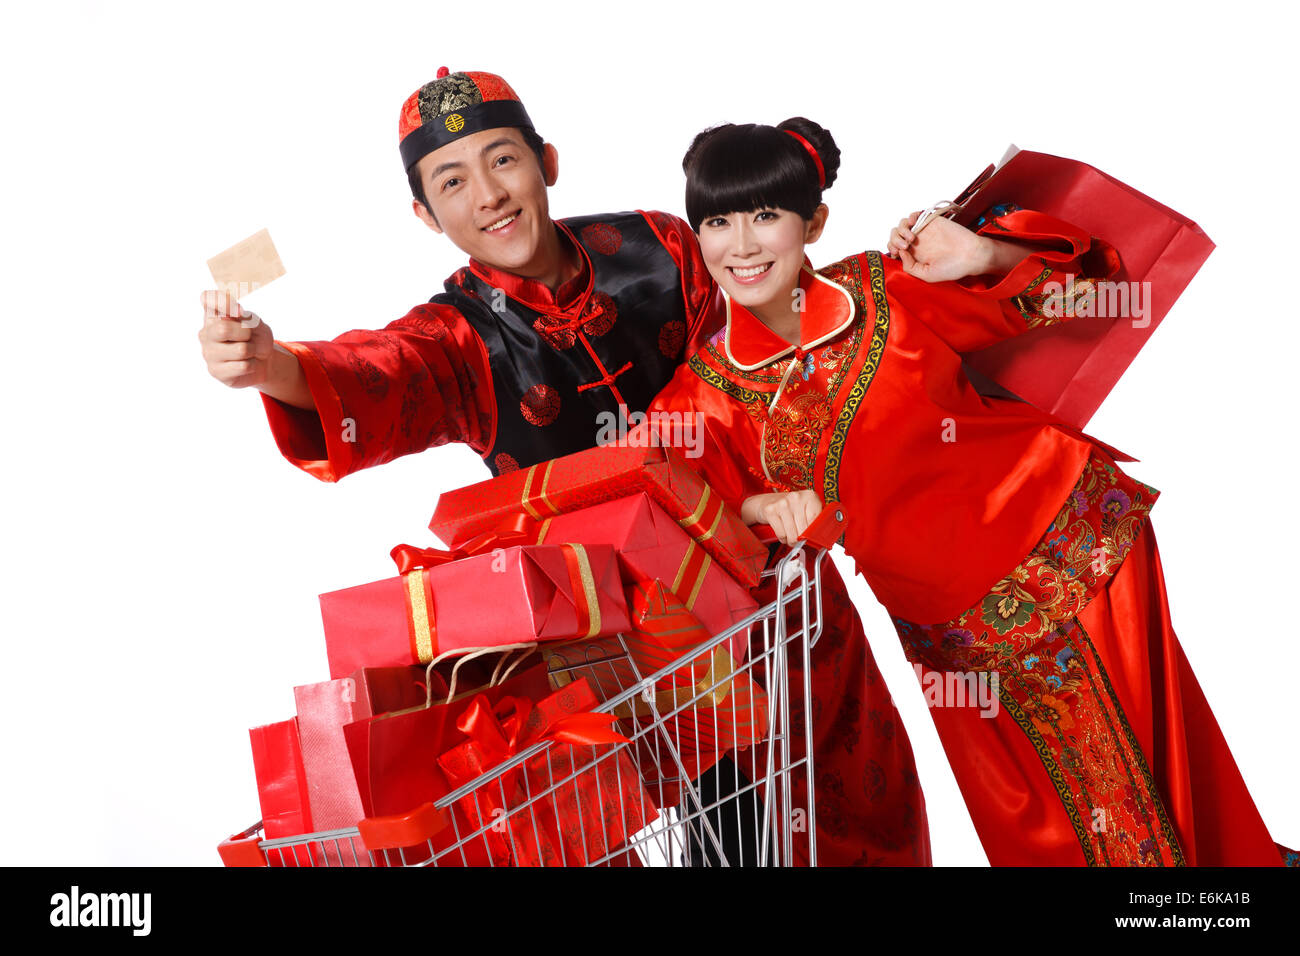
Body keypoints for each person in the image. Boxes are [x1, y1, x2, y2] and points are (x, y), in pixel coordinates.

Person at [198, 69, 931, 866]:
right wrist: (275, 366)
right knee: (734, 832)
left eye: (503, 160)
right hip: (644, 648)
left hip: (780, 578)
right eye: (452, 180)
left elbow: (764, 351)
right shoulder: (456, 339)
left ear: (547, 161)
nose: (488, 194)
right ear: (424, 214)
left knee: (865, 793)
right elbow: (379, 369)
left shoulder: (658, 245)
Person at [647, 116, 1298, 866]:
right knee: (1048, 834)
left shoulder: (886, 290)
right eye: (718, 221)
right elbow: (684, 511)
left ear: (813, 222)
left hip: (1064, 552)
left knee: (1132, 804)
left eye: (767, 215)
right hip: (948, 632)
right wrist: (761, 507)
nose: (743, 243)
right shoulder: (703, 399)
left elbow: (1086, 296)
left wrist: (982, 252)